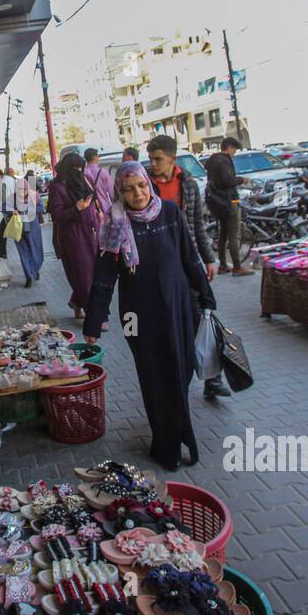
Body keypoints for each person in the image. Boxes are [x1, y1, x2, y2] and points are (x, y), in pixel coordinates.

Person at [84, 162, 216, 471]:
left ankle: (177, 433)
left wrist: (206, 293)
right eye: (129, 189)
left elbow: (189, 257)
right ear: (120, 191)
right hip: (137, 317)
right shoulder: (114, 225)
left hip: (178, 309)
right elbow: (103, 278)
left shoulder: (170, 213)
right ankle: (168, 443)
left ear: (148, 184)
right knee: (155, 376)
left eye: (141, 186)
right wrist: (94, 322)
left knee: (180, 373)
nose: (138, 193)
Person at [146, 134, 228, 399]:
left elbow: (197, 225)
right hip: (158, 266)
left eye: (158, 159)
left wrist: (209, 259)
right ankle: (172, 381)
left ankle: (212, 378)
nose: (154, 164)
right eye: (151, 159)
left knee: (202, 319)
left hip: (188, 262)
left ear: (172, 158)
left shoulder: (189, 184)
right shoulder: (144, 185)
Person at [47, 152, 101, 319]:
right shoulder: (57, 188)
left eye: (81, 168)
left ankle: (77, 302)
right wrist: (76, 208)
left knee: (94, 274)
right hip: (72, 237)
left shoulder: (84, 180)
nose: (79, 171)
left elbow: (94, 200)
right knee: (83, 275)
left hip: (91, 233)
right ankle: (96, 315)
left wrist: (97, 214)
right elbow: (56, 216)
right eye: (75, 168)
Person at [204, 137, 252, 276]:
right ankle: (237, 267)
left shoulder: (212, 161)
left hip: (218, 203)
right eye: (234, 150)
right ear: (229, 147)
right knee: (233, 235)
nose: (234, 153)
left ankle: (223, 265)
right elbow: (227, 180)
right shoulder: (224, 160)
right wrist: (241, 179)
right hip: (229, 201)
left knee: (223, 234)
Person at [14, 170, 45, 288]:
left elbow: (41, 207)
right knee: (24, 253)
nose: (22, 192)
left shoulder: (35, 196)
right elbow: (4, 208)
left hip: (33, 228)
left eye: (24, 190)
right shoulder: (13, 198)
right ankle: (29, 276)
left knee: (36, 251)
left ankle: (35, 270)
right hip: (19, 229)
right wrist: (12, 211)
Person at [83, 148, 114, 224]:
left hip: (88, 210)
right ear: (95, 157)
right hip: (104, 209)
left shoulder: (82, 173)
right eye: (98, 156)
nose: (98, 157)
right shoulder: (103, 172)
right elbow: (111, 193)